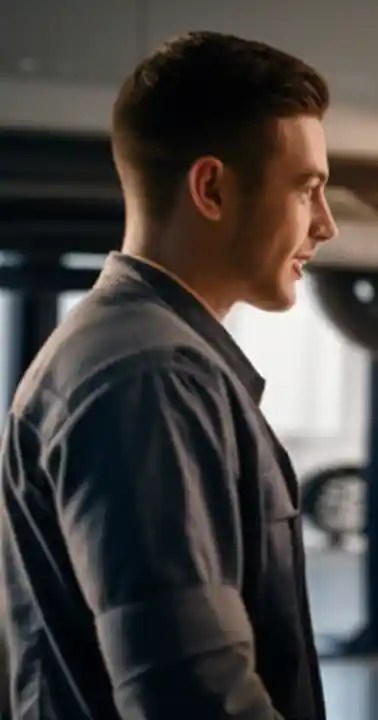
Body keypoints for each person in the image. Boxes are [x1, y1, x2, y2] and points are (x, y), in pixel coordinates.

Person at [0, 31, 337, 718]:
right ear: (211, 188)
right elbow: (192, 695)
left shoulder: (126, 354)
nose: (326, 225)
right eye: (307, 190)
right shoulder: (148, 380)